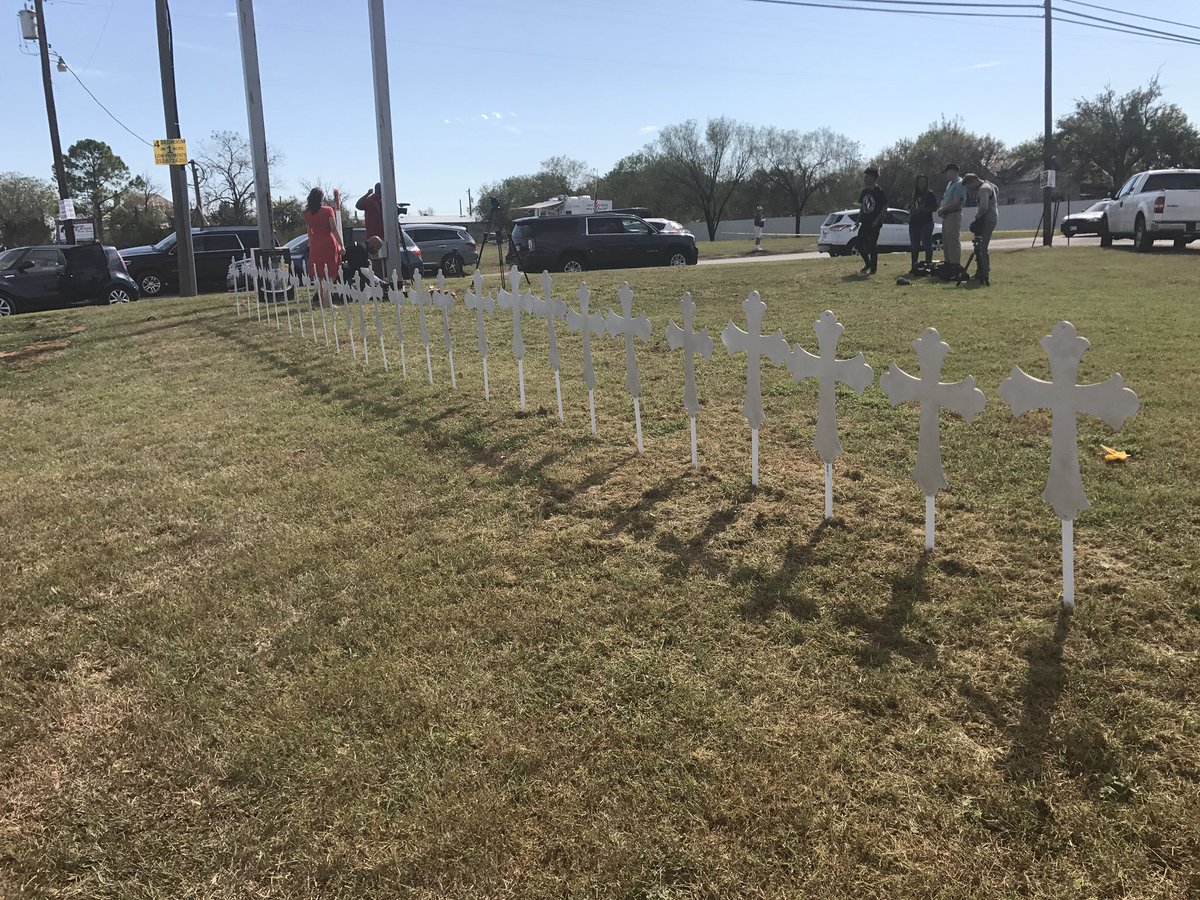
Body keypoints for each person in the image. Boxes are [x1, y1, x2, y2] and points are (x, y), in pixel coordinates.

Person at [304, 187, 343, 308]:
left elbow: (309, 232)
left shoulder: (307, 213)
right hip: (328, 241)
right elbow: (333, 228)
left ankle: (323, 300)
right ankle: (327, 301)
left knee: (319, 273)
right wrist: (341, 244)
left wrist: (312, 243)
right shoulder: (328, 210)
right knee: (331, 271)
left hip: (316, 242)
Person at [963, 173, 999, 286]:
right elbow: (997, 190)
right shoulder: (989, 185)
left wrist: (976, 219)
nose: (970, 190)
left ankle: (984, 274)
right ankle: (980, 272)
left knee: (982, 248)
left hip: (986, 220)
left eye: (969, 187)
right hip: (990, 218)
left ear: (973, 181)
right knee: (980, 246)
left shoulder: (983, 189)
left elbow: (983, 207)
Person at [857, 166, 887, 275]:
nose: (865, 179)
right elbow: (862, 206)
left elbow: (885, 207)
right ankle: (868, 263)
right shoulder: (865, 191)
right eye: (865, 176)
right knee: (859, 243)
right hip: (865, 222)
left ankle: (873, 269)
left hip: (875, 222)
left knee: (872, 245)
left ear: (874, 178)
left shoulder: (879, 191)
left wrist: (877, 220)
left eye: (868, 177)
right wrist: (857, 220)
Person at [937, 162, 967, 271]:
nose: (947, 175)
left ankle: (955, 265)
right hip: (946, 215)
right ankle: (948, 263)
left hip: (954, 215)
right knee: (946, 240)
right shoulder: (950, 184)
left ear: (953, 171)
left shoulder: (960, 183)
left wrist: (943, 209)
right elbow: (946, 199)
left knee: (953, 240)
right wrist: (941, 209)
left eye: (948, 172)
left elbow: (956, 201)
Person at [908, 174, 938, 273]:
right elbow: (910, 207)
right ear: (917, 183)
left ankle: (928, 266)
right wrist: (912, 210)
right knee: (914, 246)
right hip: (914, 223)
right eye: (920, 181)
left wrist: (922, 210)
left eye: (924, 182)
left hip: (926, 223)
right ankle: (914, 266)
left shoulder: (930, 194)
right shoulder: (914, 194)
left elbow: (934, 208)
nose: (922, 184)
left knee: (926, 244)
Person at [356, 183, 385, 275]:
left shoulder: (386, 200)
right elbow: (358, 205)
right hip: (374, 237)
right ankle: (378, 281)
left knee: (387, 259)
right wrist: (367, 194)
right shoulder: (370, 200)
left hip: (386, 235)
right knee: (376, 261)